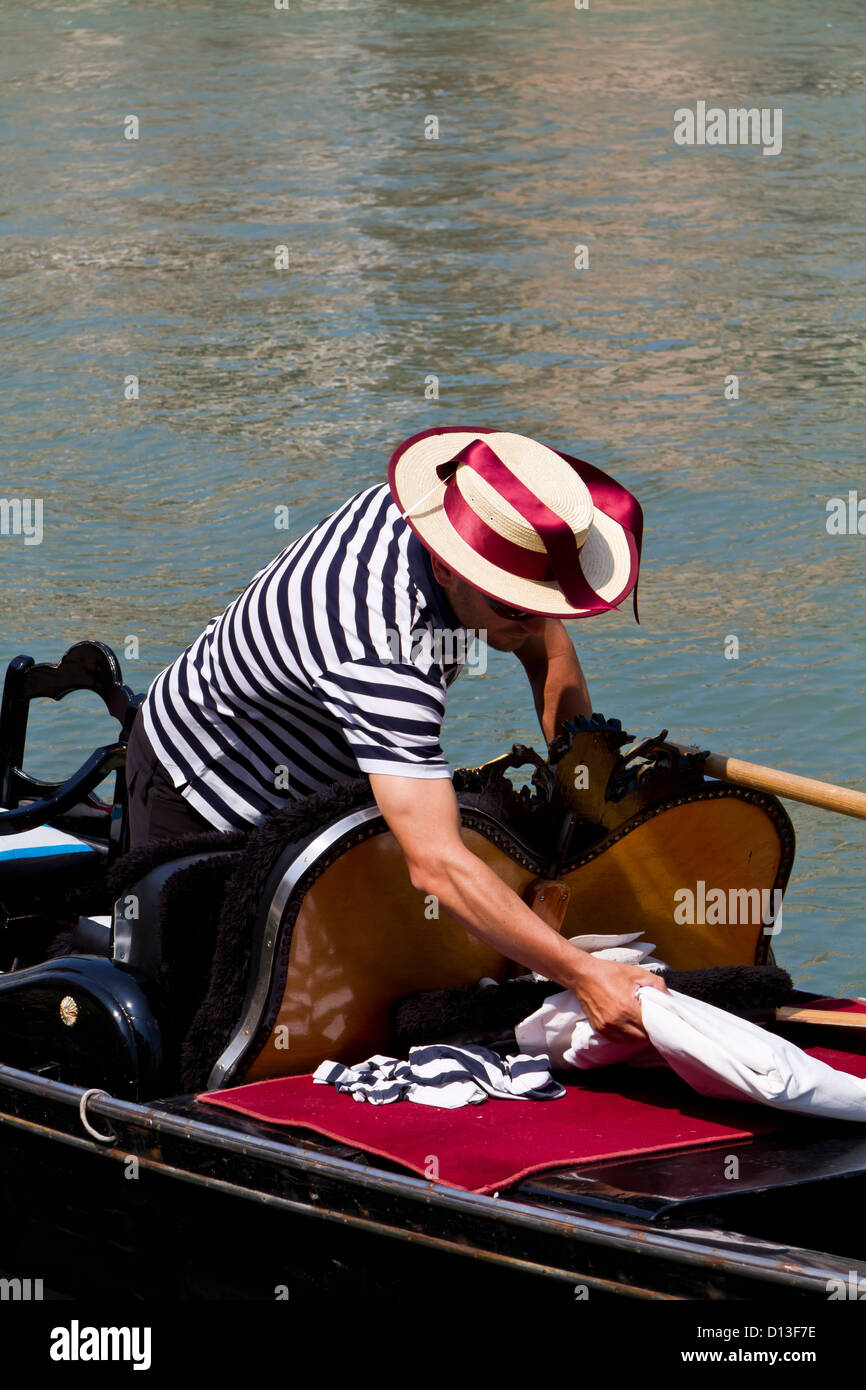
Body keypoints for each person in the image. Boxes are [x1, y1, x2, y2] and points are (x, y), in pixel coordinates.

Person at [125, 427, 666, 1039]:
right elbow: (435, 864)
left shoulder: (460, 501)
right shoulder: (381, 652)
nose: (538, 624)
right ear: (444, 563)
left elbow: (547, 646)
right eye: (515, 608)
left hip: (331, 774)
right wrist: (586, 976)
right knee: (222, 1017)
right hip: (207, 785)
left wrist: (583, 779)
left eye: (546, 601)